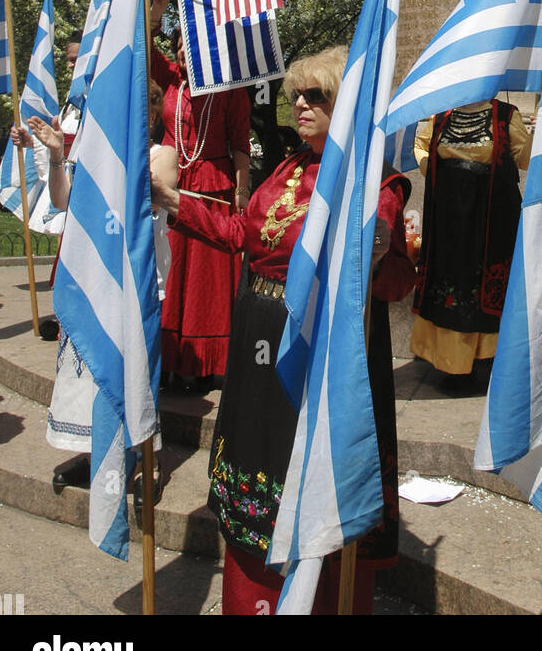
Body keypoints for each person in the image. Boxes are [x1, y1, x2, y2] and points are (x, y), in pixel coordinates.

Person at [152, 46, 416, 615]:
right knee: (257, 483)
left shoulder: (377, 180)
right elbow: (242, 233)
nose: (299, 103)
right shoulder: (287, 167)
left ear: (344, 104)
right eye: (296, 93)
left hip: (318, 357)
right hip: (257, 352)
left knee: (308, 487)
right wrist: (172, 201)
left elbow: (393, 278)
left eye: (316, 95)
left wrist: (374, 249)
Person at [15, 82, 176, 488]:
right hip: (96, 280)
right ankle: (94, 452)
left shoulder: (161, 155)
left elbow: (152, 198)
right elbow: (62, 199)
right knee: (95, 373)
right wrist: (58, 154)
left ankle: (148, 463)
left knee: (138, 373)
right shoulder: (94, 156)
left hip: (139, 282)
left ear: (151, 115)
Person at [149, 0, 251, 391]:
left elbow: (241, 146)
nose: (182, 52)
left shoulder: (232, 90)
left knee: (206, 283)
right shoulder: (170, 81)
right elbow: (141, 48)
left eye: (190, 45)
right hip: (171, 184)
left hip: (213, 187)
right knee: (169, 275)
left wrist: (241, 197)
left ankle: (204, 367)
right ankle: (170, 360)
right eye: (177, 45)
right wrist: (157, 10)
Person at [411, 99, 531, 385]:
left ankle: (487, 359)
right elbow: (422, 148)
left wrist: (540, 128)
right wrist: (444, 174)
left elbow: (524, 158)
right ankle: (449, 362)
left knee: (487, 284)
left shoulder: (505, 115)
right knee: (451, 280)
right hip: (449, 216)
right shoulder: (441, 115)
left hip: (492, 215)